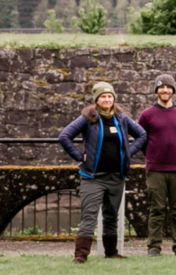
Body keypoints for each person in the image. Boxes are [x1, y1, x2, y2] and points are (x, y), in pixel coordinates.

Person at [58, 81, 146, 263]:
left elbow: (142, 135)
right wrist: (79, 155)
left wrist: (128, 152)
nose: (107, 99)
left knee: (111, 215)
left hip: (116, 176)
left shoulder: (121, 118)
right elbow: (64, 136)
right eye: (103, 97)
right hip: (93, 177)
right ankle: (81, 255)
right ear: (96, 100)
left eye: (109, 96)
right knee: (89, 215)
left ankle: (111, 252)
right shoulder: (87, 118)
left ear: (114, 98)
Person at [137, 74, 176, 256]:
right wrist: (153, 156)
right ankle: (154, 247)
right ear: (156, 90)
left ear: (173, 90)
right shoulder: (146, 115)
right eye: (161, 87)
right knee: (156, 210)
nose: (165, 90)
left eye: (168, 87)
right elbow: (141, 140)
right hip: (155, 170)